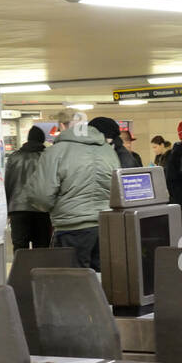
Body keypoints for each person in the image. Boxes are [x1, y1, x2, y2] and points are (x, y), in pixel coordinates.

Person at [28, 113, 119, 270]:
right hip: (106, 228)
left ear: (62, 126)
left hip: (72, 228)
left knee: (72, 284)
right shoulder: (108, 151)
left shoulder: (55, 152)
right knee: (103, 281)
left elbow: (41, 196)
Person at [4, 125, 51, 249]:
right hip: (41, 209)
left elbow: (7, 184)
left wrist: (7, 208)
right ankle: (40, 268)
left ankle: (21, 269)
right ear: (42, 140)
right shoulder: (47, 157)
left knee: (20, 247)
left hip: (17, 209)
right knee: (41, 247)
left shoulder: (14, 157)